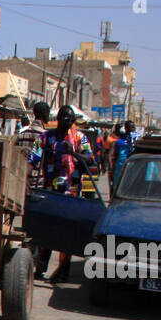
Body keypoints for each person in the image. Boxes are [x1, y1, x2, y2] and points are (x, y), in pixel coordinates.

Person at [37, 105, 94, 281]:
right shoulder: (45, 137)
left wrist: (74, 153)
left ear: (72, 121)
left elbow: (90, 159)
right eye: (62, 118)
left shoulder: (79, 137)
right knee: (46, 231)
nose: (65, 122)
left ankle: (62, 271)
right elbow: (33, 158)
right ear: (58, 118)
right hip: (49, 191)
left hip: (71, 193)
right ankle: (40, 268)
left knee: (66, 234)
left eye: (69, 119)